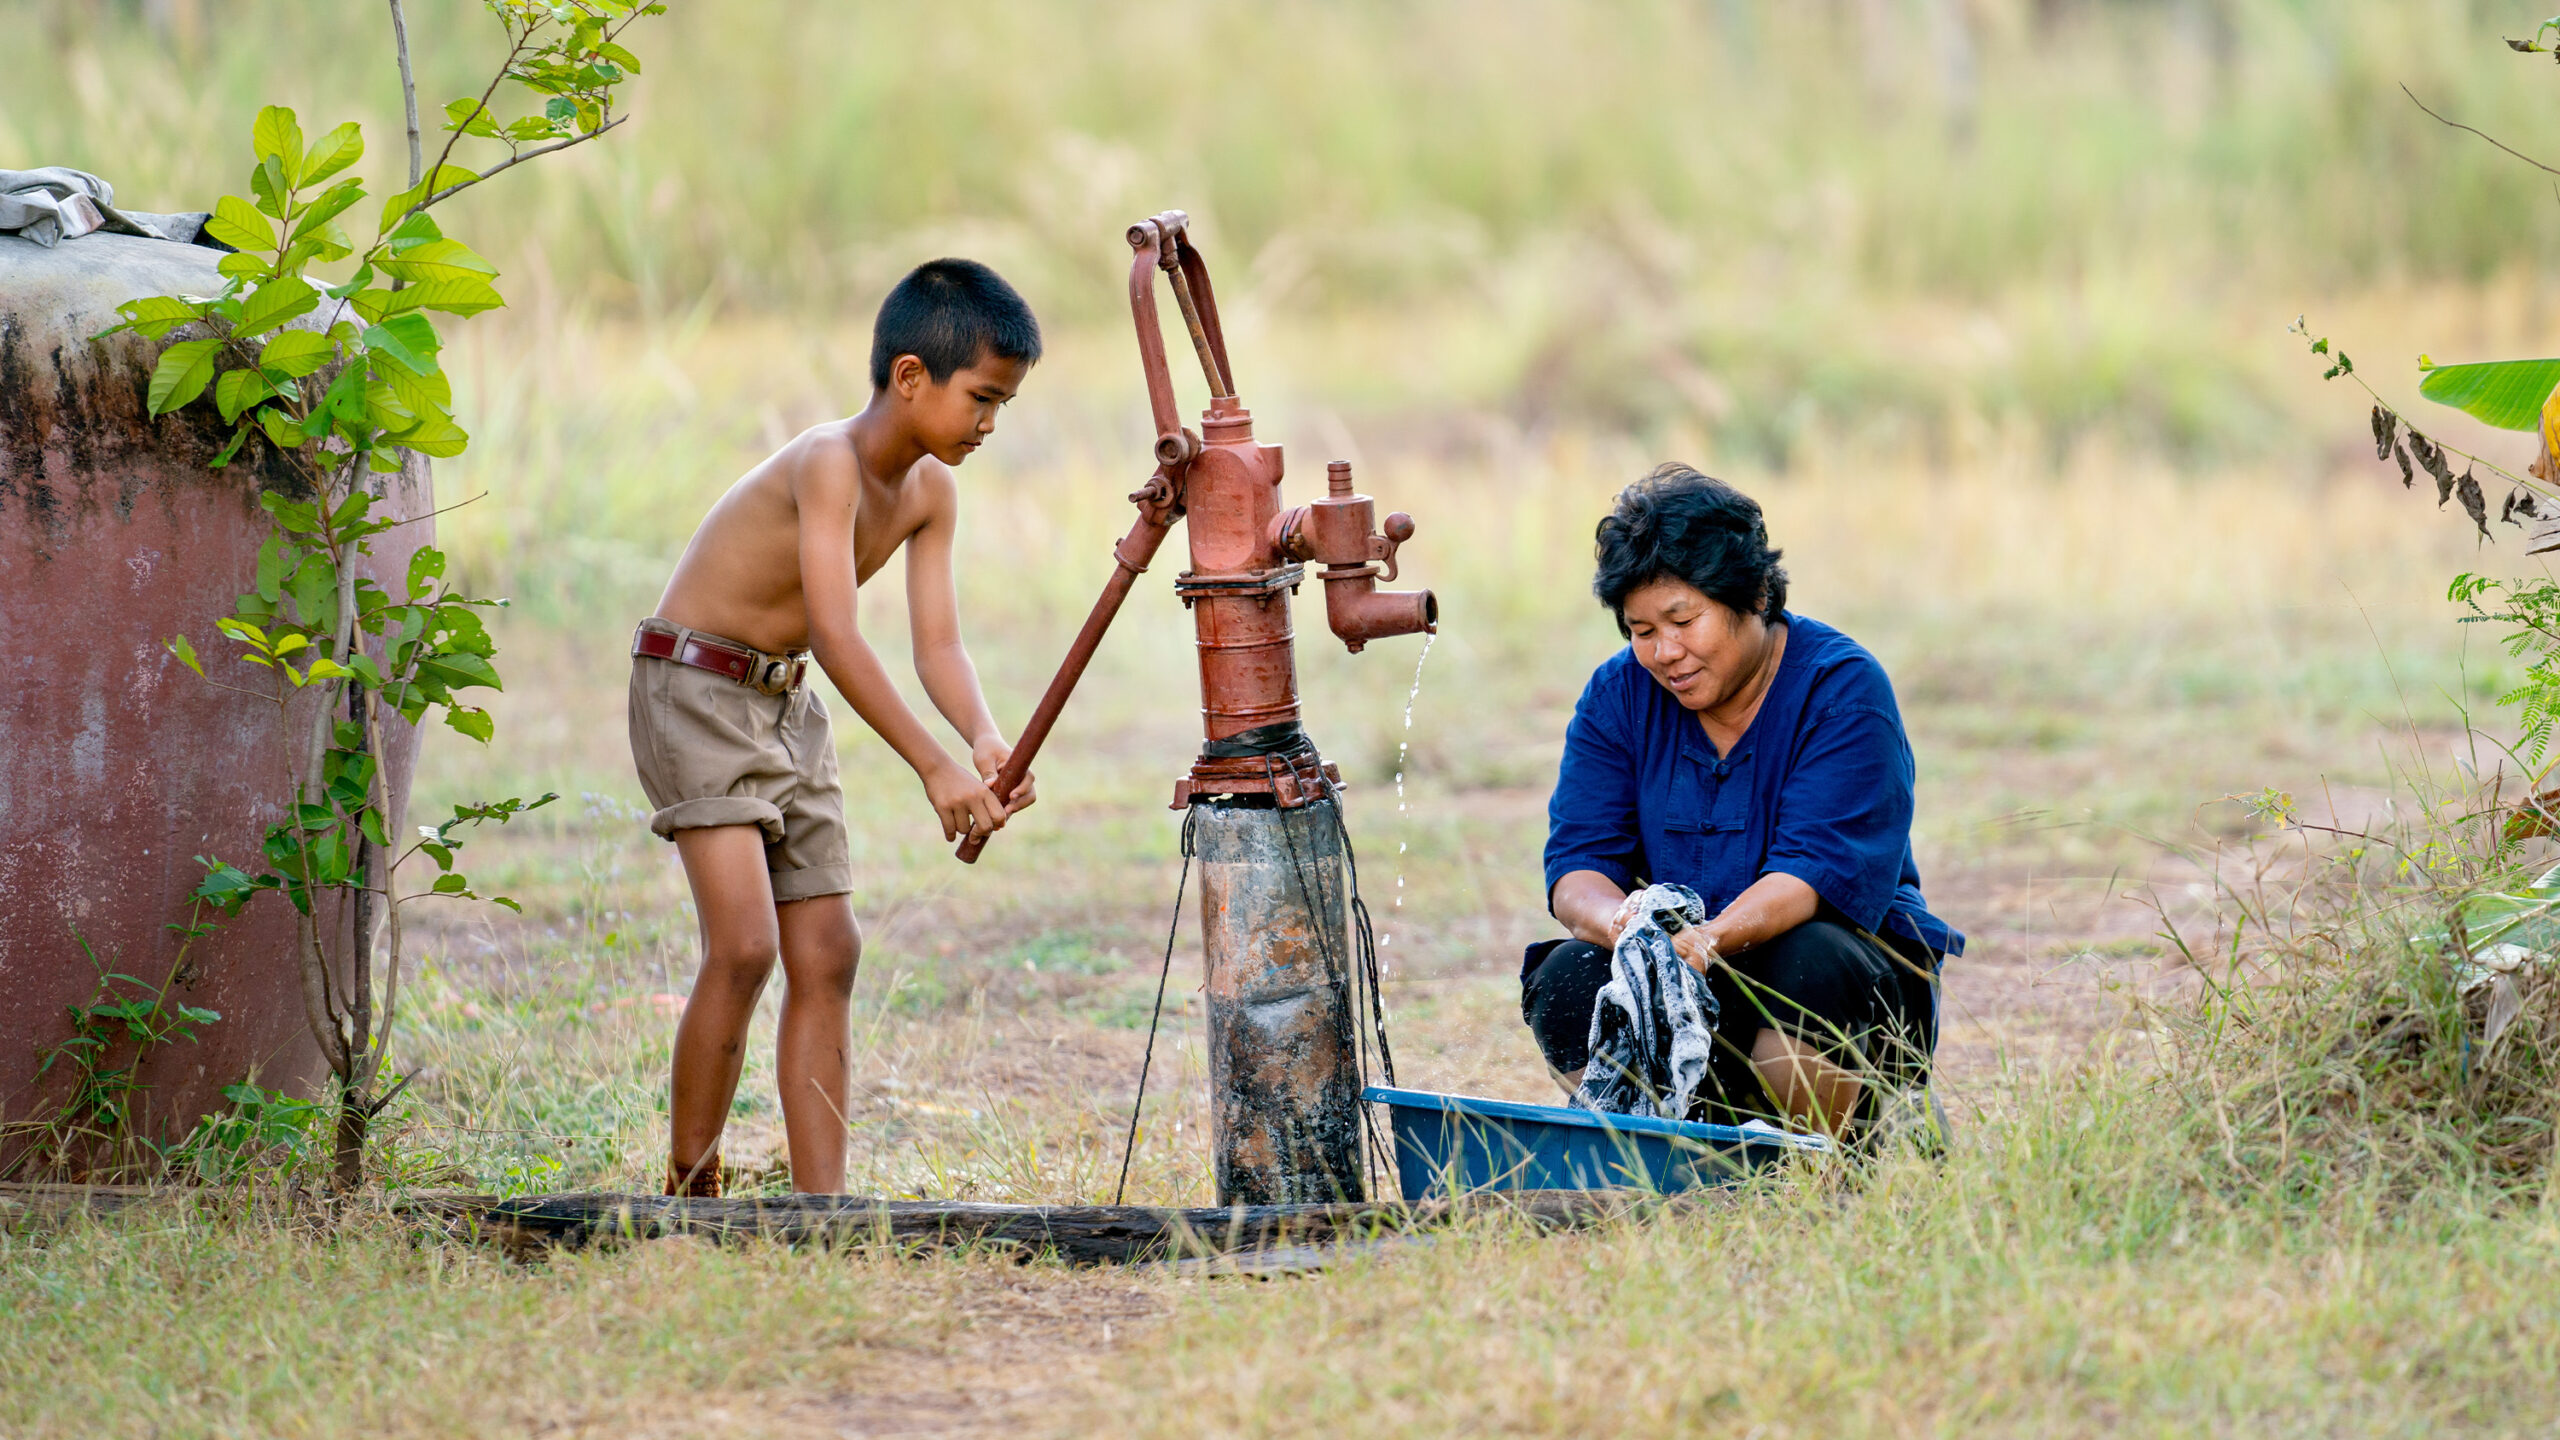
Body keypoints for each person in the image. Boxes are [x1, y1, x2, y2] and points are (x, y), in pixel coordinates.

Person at [629, 259, 1041, 1195]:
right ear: (909, 376)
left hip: (784, 704)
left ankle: (825, 1209)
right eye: (981, 397)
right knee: (743, 944)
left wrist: (981, 739)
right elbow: (837, 628)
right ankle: (691, 1194)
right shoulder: (826, 463)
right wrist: (935, 770)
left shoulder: (933, 493)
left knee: (828, 950)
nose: (988, 423)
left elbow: (939, 648)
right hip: (693, 685)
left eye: (1003, 405)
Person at [1524, 464, 1962, 1138]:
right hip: (1683, 982)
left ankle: (1838, 1151)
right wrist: (1626, 928)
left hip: (1835, 987)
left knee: (1807, 960)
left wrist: (1708, 941)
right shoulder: (1616, 696)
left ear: (1755, 594)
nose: (1666, 653)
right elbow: (1578, 867)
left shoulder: (1841, 688)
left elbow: (1811, 876)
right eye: (1641, 631)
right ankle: (1656, 1152)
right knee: (1567, 977)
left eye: (1683, 620)